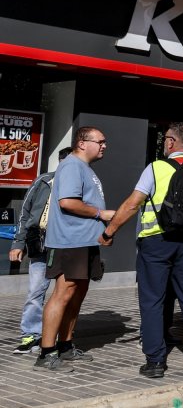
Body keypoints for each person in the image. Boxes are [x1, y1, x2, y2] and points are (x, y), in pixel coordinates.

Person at [100, 123, 183, 378]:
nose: (164, 143)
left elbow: (132, 204)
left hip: (156, 242)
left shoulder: (156, 168)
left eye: (165, 140)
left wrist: (110, 231)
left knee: (152, 300)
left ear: (171, 142)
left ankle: (155, 361)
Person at [35, 128, 115, 372]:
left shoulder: (85, 168)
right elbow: (67, 202)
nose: (104, 146)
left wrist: (101, 231)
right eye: (99, 141)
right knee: (64, 293)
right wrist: (100, 214)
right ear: (82, 143)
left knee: (77, 293)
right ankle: (46, 353)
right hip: (70, 241)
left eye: (105, 141)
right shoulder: (71, 165)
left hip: (86, 241)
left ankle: (65, 346)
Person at [10, 147, 73, 355]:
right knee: (36, 291)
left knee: (64, 293)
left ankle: (58, 337)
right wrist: (18, 243)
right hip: (41, 242)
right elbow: (25, 213)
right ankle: (31, 335)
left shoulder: (80, 184)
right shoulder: (44, 181)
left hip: (65, 245)